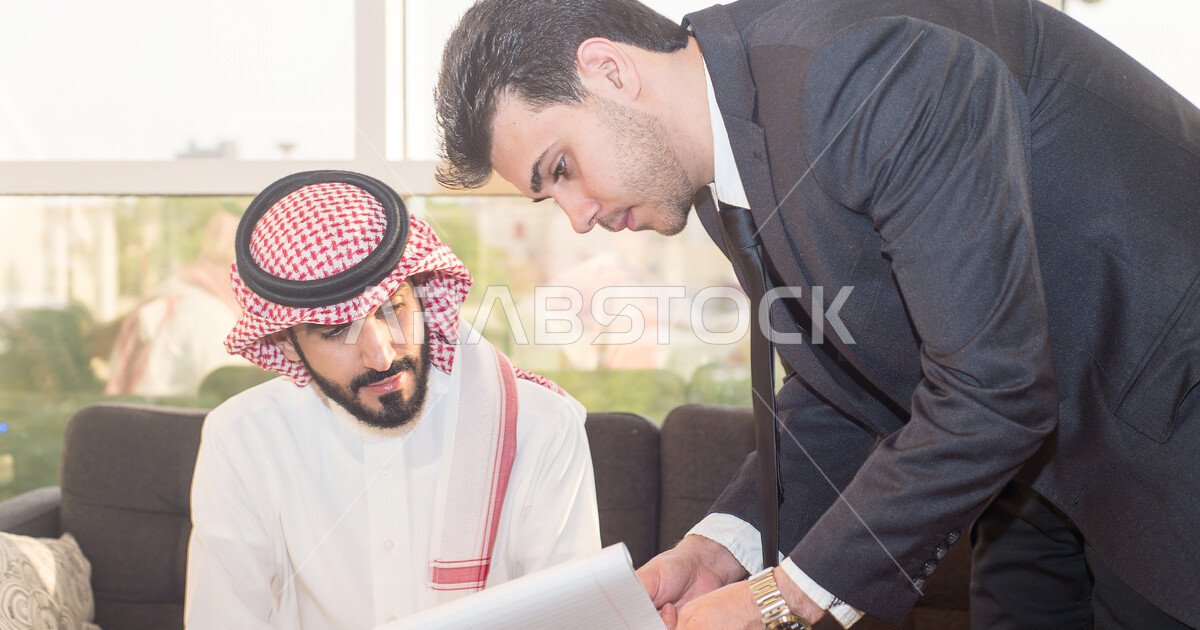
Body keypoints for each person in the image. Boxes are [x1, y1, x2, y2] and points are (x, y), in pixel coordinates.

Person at [434, 1, 1200, 628]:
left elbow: (993, 392)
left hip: (1164, 416)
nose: (576, 216)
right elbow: (849, 385)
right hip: (1034, 469)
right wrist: (721, 549)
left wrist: (785, 596)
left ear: (610, 69)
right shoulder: (726, 172)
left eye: (560, 168)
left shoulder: (850, 73)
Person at [184, 170, 601, 628]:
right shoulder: (243, 442)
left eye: (392, 308)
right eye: (337, 331)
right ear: (287, 345)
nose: (381, 355)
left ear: (422, 295)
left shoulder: (540, 428)